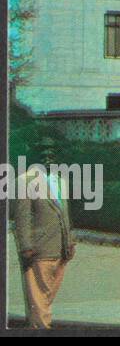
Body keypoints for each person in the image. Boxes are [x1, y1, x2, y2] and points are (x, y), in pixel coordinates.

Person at [10, 133, 76, 329]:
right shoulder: (25, 181)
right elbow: (22, 217)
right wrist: (26, 246)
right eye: (43, 151)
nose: (48, 155)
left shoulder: (60, 181)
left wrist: (70, 241)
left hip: (61, 250)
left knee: (44, 300)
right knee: (39, 301)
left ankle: (36, 326)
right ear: (34, 155)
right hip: (38, 251)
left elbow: (65, 214)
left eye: (52, 151)